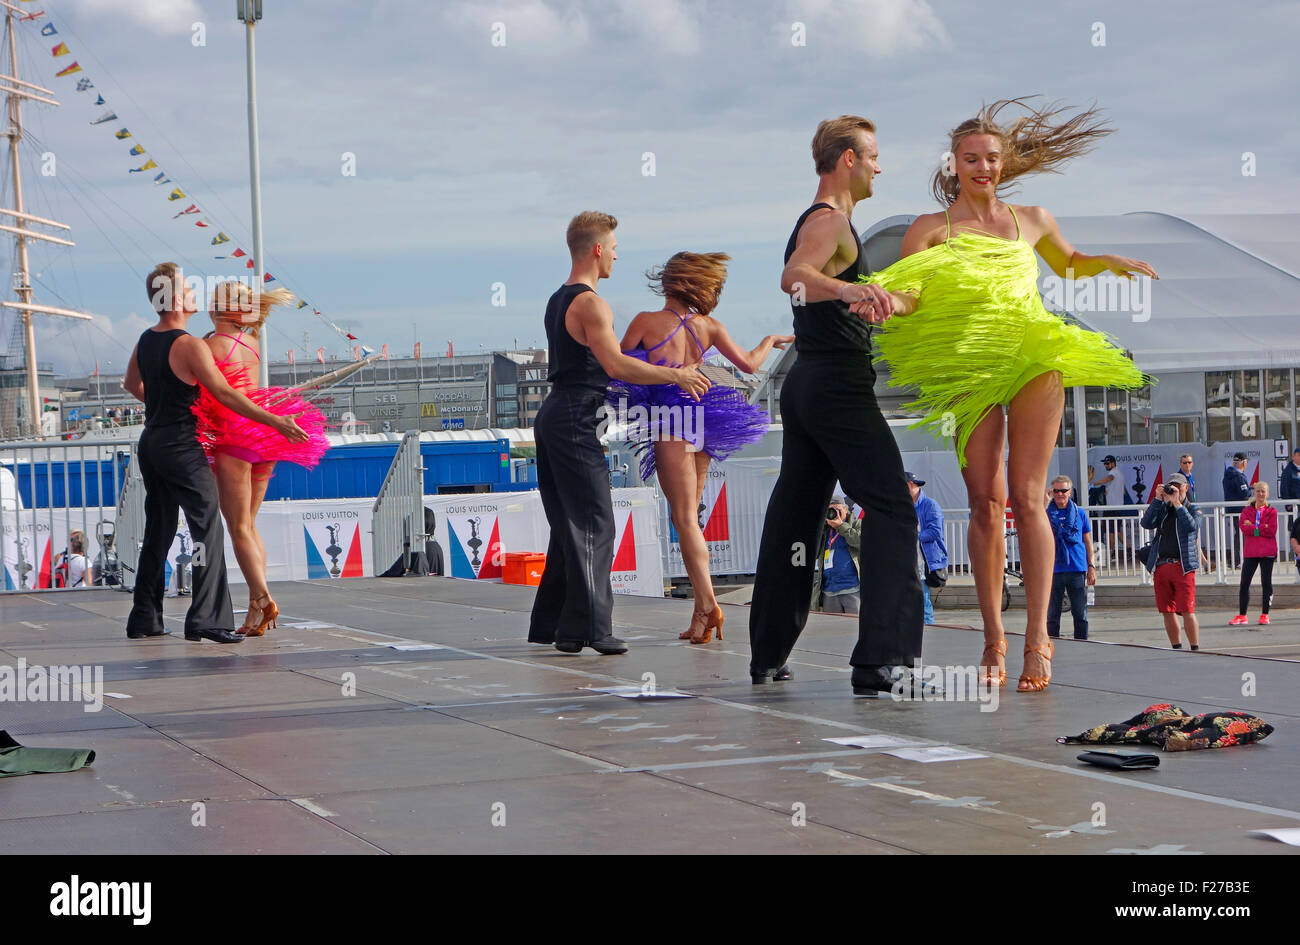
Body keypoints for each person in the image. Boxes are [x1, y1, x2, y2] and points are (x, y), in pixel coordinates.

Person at [870, 99, 1156, 692]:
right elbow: (911, 296)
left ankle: (1039, 641)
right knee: (984, 500)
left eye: (992, 158)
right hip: (970, 367)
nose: (983, 167)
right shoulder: (928, 230)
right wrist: (883, 301)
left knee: (1029, 496)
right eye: (971, 158)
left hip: (1032, 354)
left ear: (1004, 163)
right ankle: (993, 637)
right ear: (953, 164)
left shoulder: (1031, 218)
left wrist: (1105, 261)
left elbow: (1068, 263)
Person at [749, 115, 935, 697]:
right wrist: (850, 288)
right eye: (874, 155)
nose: (881, 166)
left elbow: (824, 285)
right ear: (848, 160)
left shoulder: (829, 224)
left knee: (794, 521)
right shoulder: (830, 221)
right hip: (836, 390)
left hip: (807, 388)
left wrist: (898, 298)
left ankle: (767, 655)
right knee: (895, 510)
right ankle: (882, 660)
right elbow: (794, 277)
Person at [527, 212, 709, 655]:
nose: (615, 254)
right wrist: (677, 376)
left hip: (557, 414)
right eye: (612, 247)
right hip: (575, 416)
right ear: (595, 250)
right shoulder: (591, 302)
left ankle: (563, 629)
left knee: (568, 526)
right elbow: (616, 364)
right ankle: (593, 629)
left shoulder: (557, 298)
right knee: (595, 523)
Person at [609, 252, 790, 642]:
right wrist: (770, 340)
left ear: (668, 281)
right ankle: (700, 617)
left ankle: (709, 604)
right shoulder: (709, 327)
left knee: (684, 519)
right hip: (703, 421)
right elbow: (747, 364)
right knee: (691, 520)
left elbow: (618, 364)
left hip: (670, 422)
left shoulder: (645, 322)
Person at [123, 262, 308, 644]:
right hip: (181, 446)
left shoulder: (145, 340)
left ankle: (145, 617)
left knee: (158, 531)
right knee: (207, 528)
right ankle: (206, 619)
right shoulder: (189, 345)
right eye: (189, 291)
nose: (195, 297)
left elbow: (131, 383)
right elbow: (225, 394)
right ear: (174, 300)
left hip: (152, 442)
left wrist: (162, 402)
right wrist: (277, 422)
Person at [192, 281, 329, 635]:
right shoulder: (251, 343)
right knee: (250, 526)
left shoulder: (208, 346)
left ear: (219, 309)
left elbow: (210, 389)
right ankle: (256, 611)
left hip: (234, 439)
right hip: (262, 437)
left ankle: (264, 600)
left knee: (237, 527)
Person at [1140, 473, 1200, 651]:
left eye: (1178, 487)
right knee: (1167, 610)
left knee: (1187, 609)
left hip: (1183, 566)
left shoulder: (1192, 508)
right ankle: (1176, 647)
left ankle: (1195, 647)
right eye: (1171, 487)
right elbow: (1146, 523)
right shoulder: (1163, 509)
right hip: (1161, 565)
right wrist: (1157, 500)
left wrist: (1178, 504)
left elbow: (1191, 527)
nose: (1175, 490)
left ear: (1185, 488)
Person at [1045, 475, 1095, 640]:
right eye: (1056, 491)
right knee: (1052, 614)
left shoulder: (1079, 513)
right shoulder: (1045, 514)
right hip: (1054, 569)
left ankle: (1081, 643)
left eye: (1063, 490)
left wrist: (1091, 567)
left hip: (1077, 568)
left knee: (1080, 613)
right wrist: (1045, 502)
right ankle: (1051, 644)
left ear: (1070, 492)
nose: (1060, 494)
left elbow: (1087, 541)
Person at [1231, 481, 1277, 627]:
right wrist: (1262, 527)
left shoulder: (1272, 511)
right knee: (1244, 583)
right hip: (1251, 552)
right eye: (1258, 491)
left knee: (1266, 583)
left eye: (1263, 491)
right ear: (1254, 493)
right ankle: (1242, 615)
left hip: (1268, 552)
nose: (1261, 494)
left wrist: (1255, 528)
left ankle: (1265, 614)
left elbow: (1272, 531)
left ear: (1267, 494)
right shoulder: (1246, 511)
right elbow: (1244, 528)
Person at [907, 473, 948, 625]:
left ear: (910, 485)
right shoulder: (907, 504)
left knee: (923, 603)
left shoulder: (930, 505)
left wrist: (912, 535)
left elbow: (936, 532)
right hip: (910, 561)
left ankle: (929, 631)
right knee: (913, 603)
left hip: (924, 562)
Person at [810, 498, 862, 614]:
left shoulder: (856, 524)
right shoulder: (825, 530)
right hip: (829, 591)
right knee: (833, 630)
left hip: (853, 589)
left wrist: (841, 526)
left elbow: (861, 542)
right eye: (830, 510)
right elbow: (814, 553)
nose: (834, 513)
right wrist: (820, 528)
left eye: (837, 510)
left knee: (854, 628)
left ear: (846, 509)